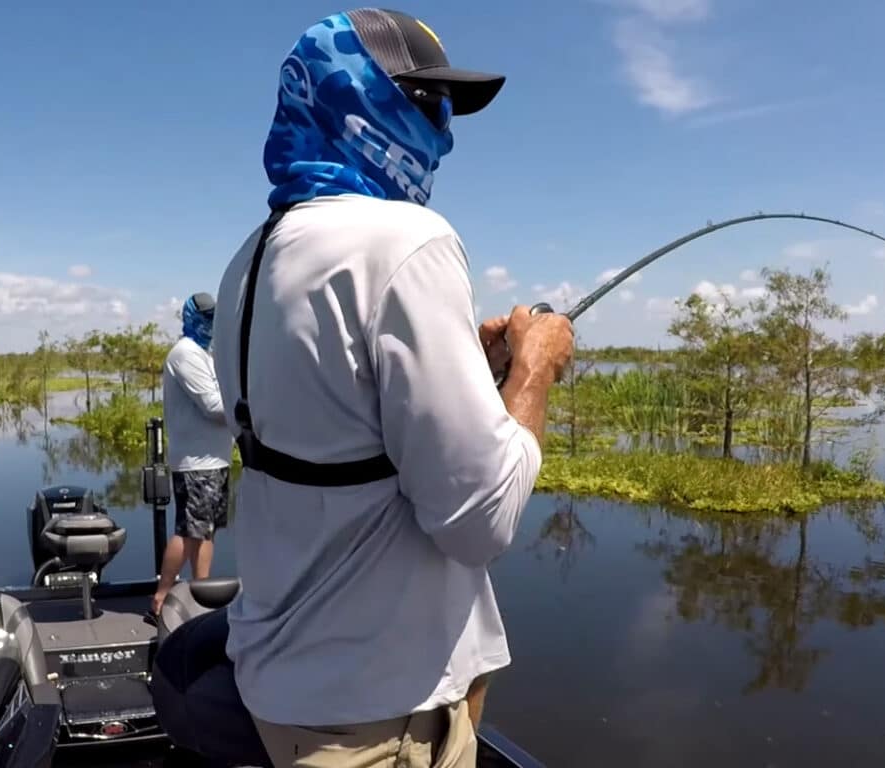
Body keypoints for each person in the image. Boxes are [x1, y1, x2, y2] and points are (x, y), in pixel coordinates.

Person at [210, 8, 574, 767]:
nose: (443, 129)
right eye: (424, 102)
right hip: (375, 718)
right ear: (356, 99)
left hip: (283, 690)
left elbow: (338, 429)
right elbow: (482, 519)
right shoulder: (405, 240)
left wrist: (474, 373)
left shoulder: (250, 260)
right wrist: (535, 368)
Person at [152, 292, 233, 616]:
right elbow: (213, 406)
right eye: (207, 317)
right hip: (197, 464)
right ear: (191, 317)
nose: (212, 323)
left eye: (215, 316)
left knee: (207, 530)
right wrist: (249, 402)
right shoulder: (185, 354)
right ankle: (160, 597)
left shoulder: (204, 354)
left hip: (216, 460)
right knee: (188, 533)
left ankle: (203, 596)